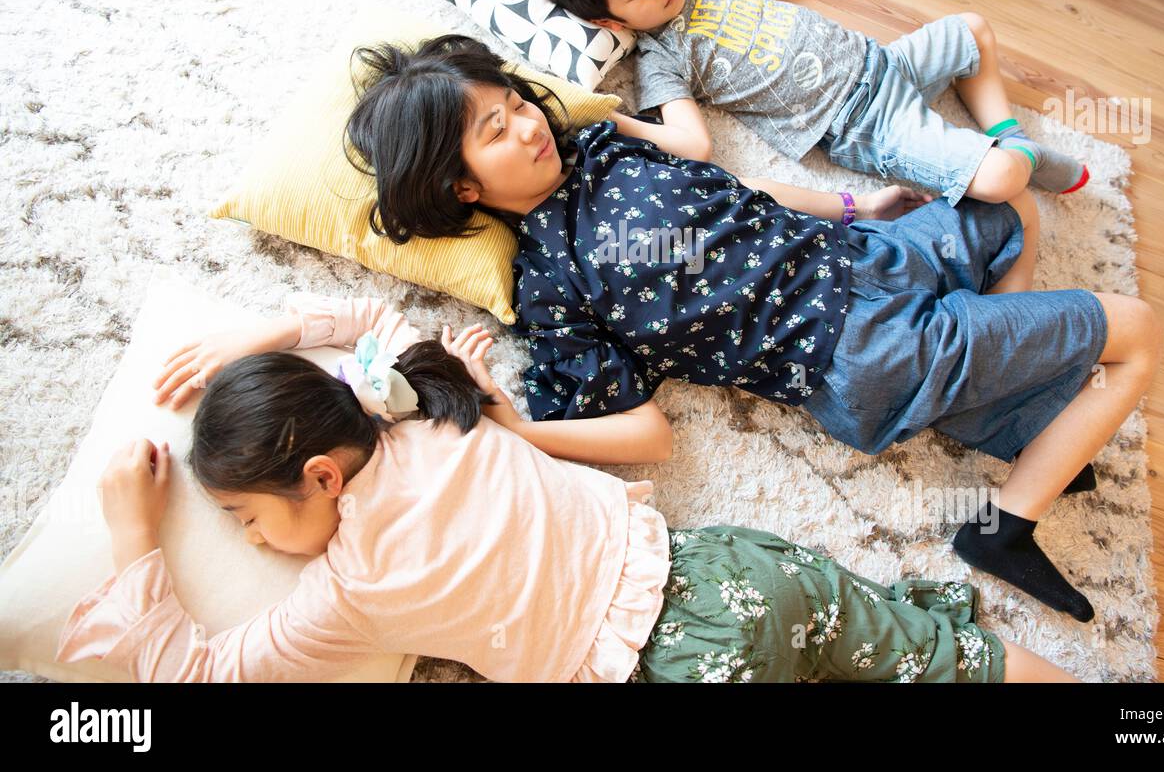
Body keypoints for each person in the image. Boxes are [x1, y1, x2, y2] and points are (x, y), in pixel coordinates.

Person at [337, 33, 1162, 623]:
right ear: (462, 189)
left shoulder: (601, 148)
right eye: (496, 132)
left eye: (516, 104)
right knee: (1137, 332)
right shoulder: (551, 287)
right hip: (859, 351)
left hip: (863, 253)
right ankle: (1003, 529)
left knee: (1011, 204)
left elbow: (736, 186)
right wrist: (519, 426)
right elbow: (648, 435)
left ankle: (1008, 408)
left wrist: (857, 201)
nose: (526, 127)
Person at [53, 295, 1075, 682]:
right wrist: (274, 334)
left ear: (321, 477)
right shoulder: (432, 408)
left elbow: (202, 679)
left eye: (244, 519)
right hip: (736, 568)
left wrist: (137, 538)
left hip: (666, 672)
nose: (256, 543)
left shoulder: (352, 588)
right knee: (951, 661)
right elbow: (374, 315)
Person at [527, 0, 1089, 203]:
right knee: (1000, 183)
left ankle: (1010, 136)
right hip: (862, 125)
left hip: (883, 63)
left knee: (972, 28)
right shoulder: (661, 61)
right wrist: (618, 120)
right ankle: (1018, 158)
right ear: (609, 20)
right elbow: (694, 144)